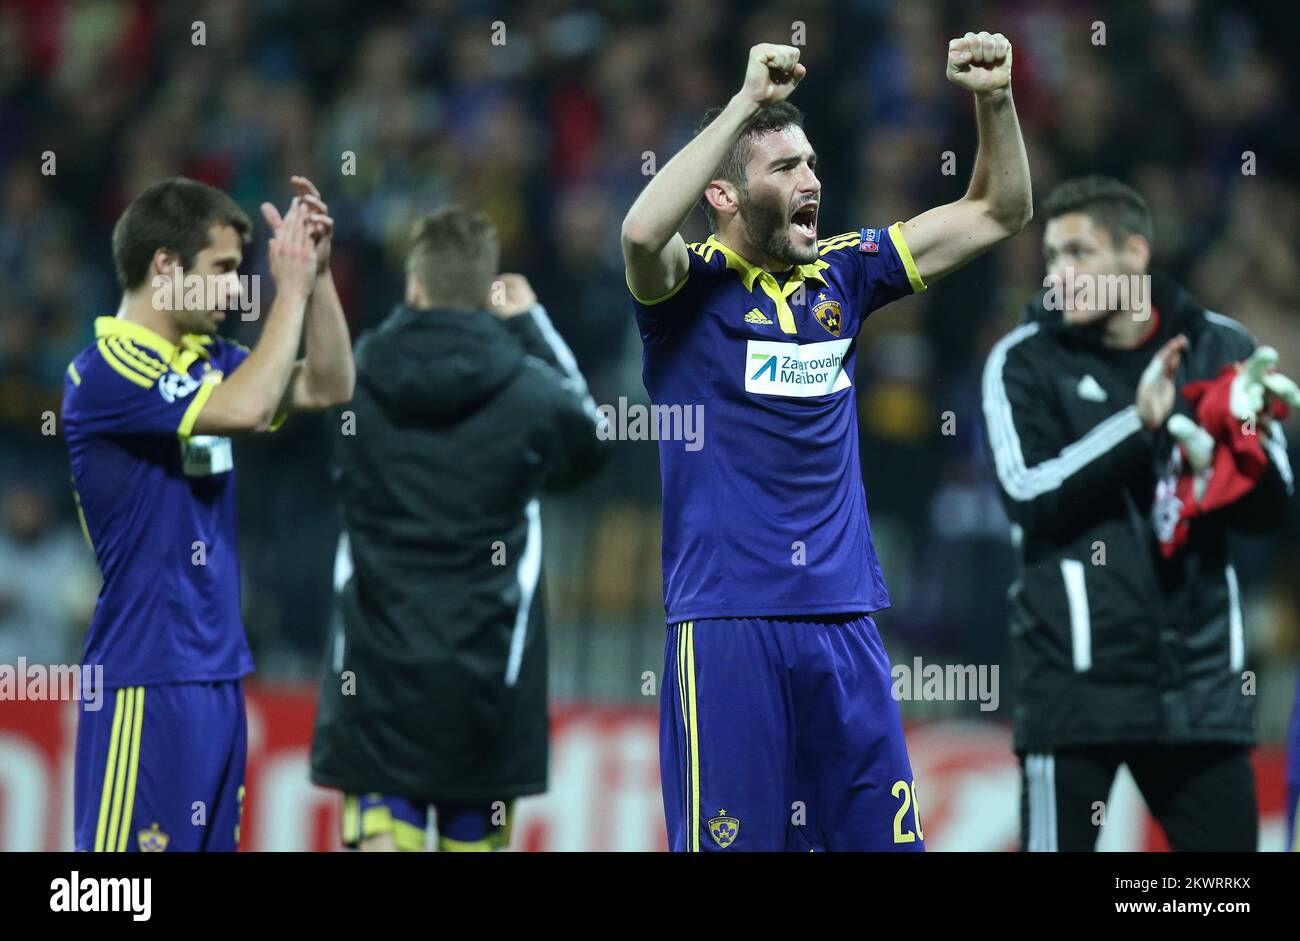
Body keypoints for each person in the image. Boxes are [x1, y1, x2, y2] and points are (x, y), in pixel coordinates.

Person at [620, 33, 1031, 851]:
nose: (813, 181)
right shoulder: (685, 292)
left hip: (844, 622)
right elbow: (638, 232)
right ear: (726, 198)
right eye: (784, 168)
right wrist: (742, 106)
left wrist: (994, 100)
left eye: (811, 163)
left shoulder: (845, 273)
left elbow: (999, 210)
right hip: (729, 623)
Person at [981, 175, 1295, 851]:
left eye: (1077, 254)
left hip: (1201, 692)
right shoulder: (1024, 361)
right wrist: (1139, 425)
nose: (1058, 275)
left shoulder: (1222, 348)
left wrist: (1245, 449)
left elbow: (1271, 513)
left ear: (1134, 255)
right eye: (1050, 259)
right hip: (1073, 693)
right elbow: (1028, 495)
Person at [63, 175, 354, 852]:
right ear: (165, 265)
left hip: (215, 675)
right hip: (146, 676)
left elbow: (332, 381)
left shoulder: (209, 360)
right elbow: (249, 409)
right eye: (222, 270)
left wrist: (317, 276)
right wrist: (289, 293)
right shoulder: (108, 370)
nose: (234, 290)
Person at [310, 208, 609, 851]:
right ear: (487, 294)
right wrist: (528, 322)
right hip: (488, 688)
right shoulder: (529, 391)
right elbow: (590, 443)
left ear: (413, 286)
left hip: (375, 679)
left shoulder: (352, 383)